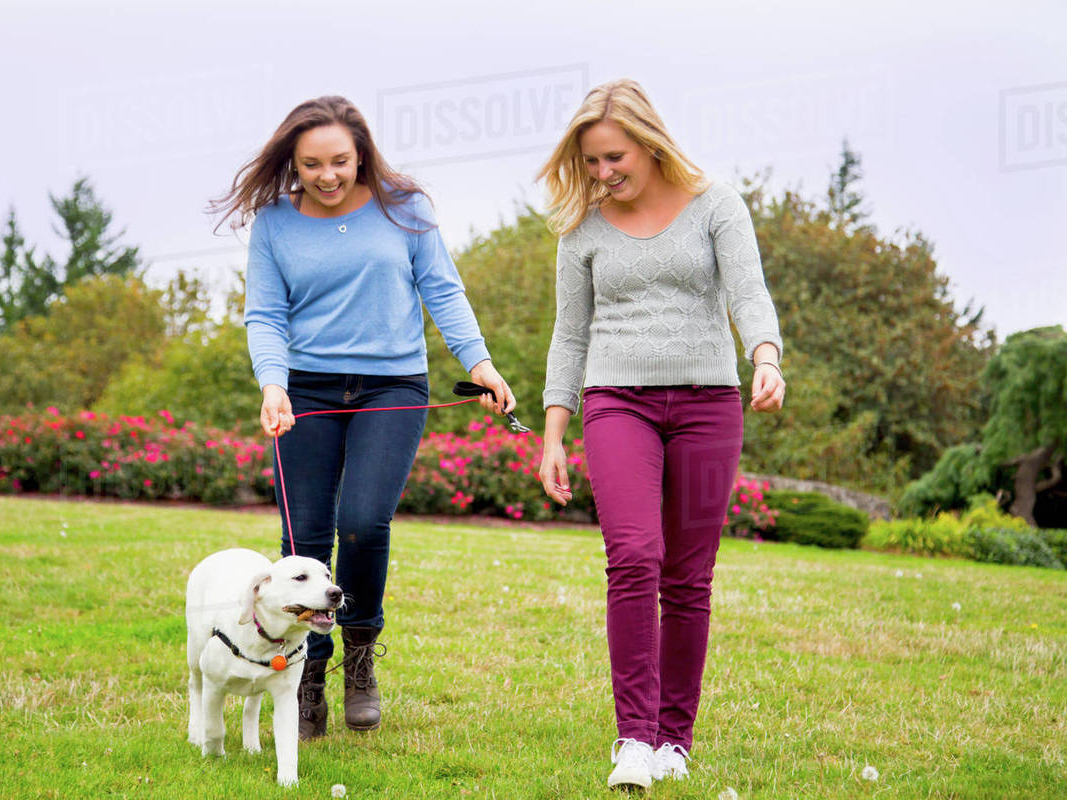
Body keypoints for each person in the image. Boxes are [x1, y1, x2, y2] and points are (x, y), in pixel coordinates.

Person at [212, 95, 515, 739]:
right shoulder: (275, 223)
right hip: (306, 389)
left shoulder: (405, 208)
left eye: (340, 161)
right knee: (304, 538)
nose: (327, 176)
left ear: (361, 154)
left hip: (392, 383)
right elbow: (265, 314)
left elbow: (442, 289)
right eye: (312, 165)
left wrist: (481, 364)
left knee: (362, 522)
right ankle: (306, 670)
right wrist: (273, 385)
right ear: (293, 163)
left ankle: (359, 658)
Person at [535, 79, 785, 790]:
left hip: (710, 404)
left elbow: (748, 292)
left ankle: (675, 739)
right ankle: (634, 740)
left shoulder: (715, 204)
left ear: (648, 143)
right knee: (634, 557)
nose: (602, 172)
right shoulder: (581, 227)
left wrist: (766, 357)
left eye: (613, 157)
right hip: (618, 403)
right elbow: (570, 335)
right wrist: (554, 435)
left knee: (688, 577)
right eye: (590, 161)